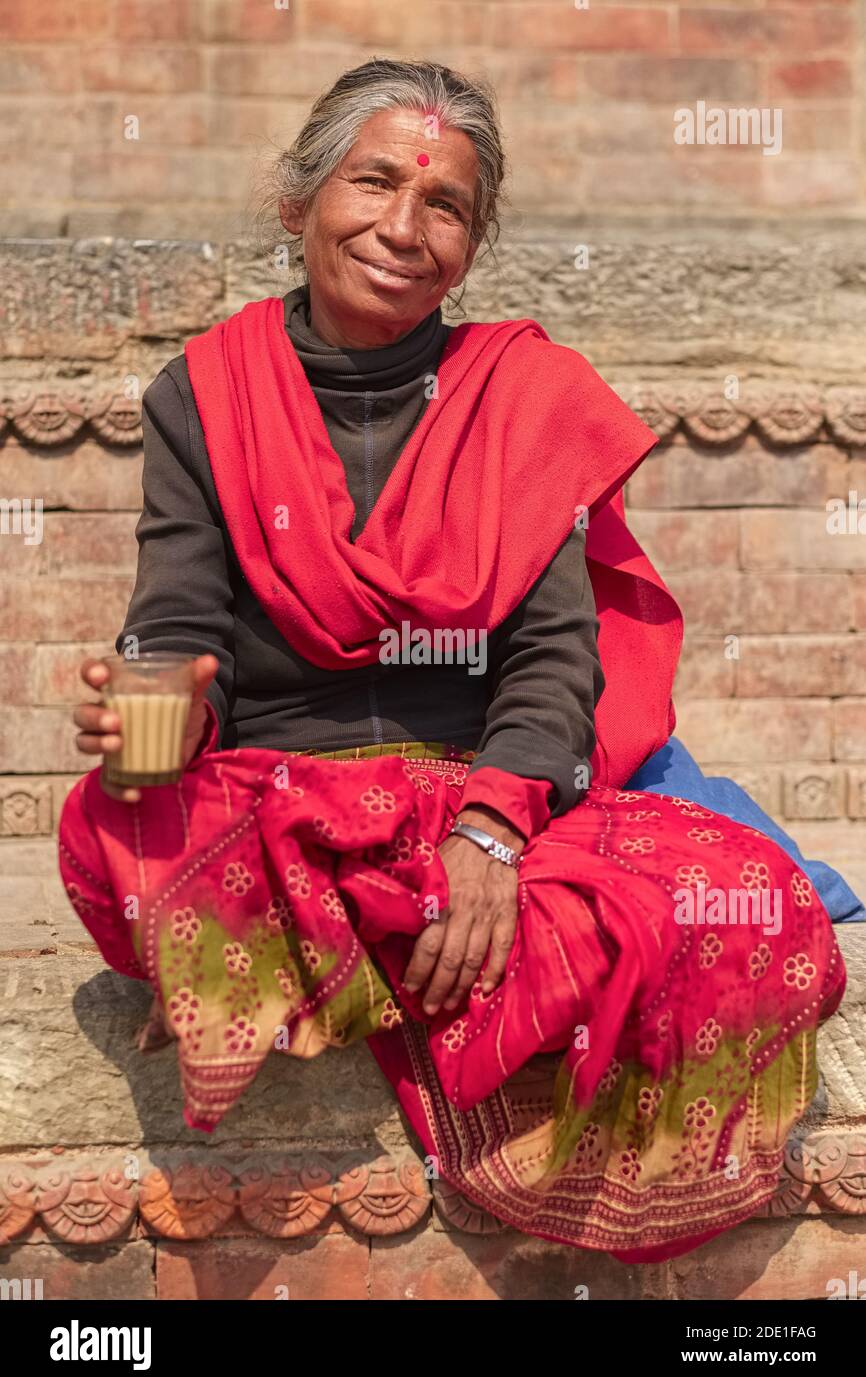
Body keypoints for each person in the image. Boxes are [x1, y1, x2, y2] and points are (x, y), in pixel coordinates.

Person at [58, 58, 845, 1264]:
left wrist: (485, 835)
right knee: (114, 834)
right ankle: (352, 945)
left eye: (445, 208)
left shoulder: (524, 398)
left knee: (717, 902)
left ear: (471, 248)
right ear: (296, 201)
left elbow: (550, 665)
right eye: (372, 182)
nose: (403, 227)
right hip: (290, 793)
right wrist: (150, 723)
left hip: (490, 799)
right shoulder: (205, 394)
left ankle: (338, 965)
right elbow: (174, 635)